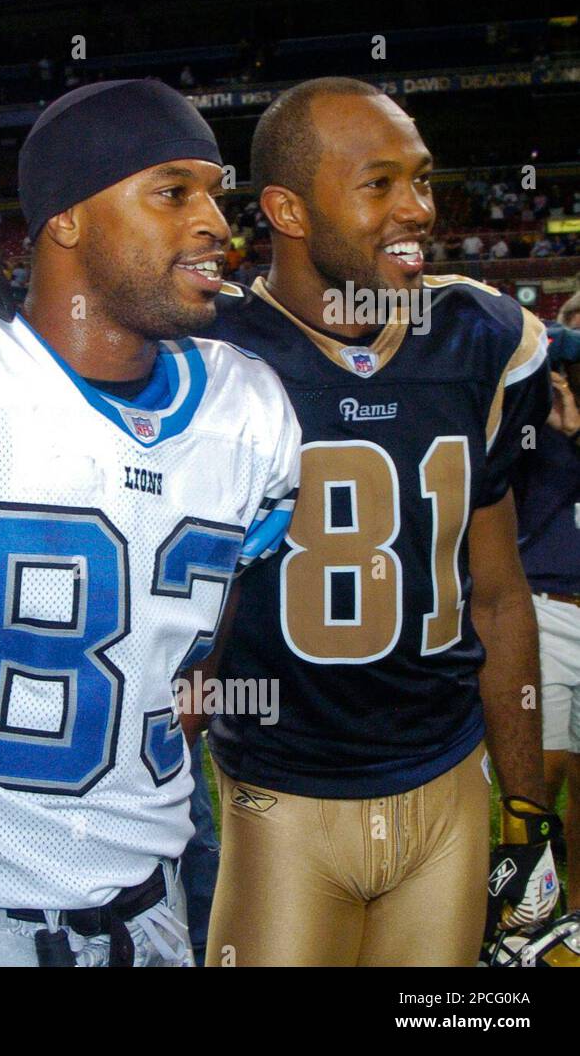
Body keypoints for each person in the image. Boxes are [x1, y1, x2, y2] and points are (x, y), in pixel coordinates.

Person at [0, 79, 302, 966]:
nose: (217, 224)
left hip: (154, 915)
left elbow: (180, 676)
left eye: (217, 194)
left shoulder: (248, 407)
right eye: (173, 190)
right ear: (66, 219)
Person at [199, 79, 558, 965]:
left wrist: (526, 813)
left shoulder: (478, 335)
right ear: (285, 207)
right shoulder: (212, 353)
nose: (417, 210)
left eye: (424, 181)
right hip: (281, 796)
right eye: (380, 184)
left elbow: (500, 597)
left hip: (448, 787)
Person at [512, 323, 580, 910]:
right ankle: (526, 909)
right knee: (541, 772)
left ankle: (577, 914)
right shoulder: (536, 431)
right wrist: (550, 424)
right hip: (548, 611)